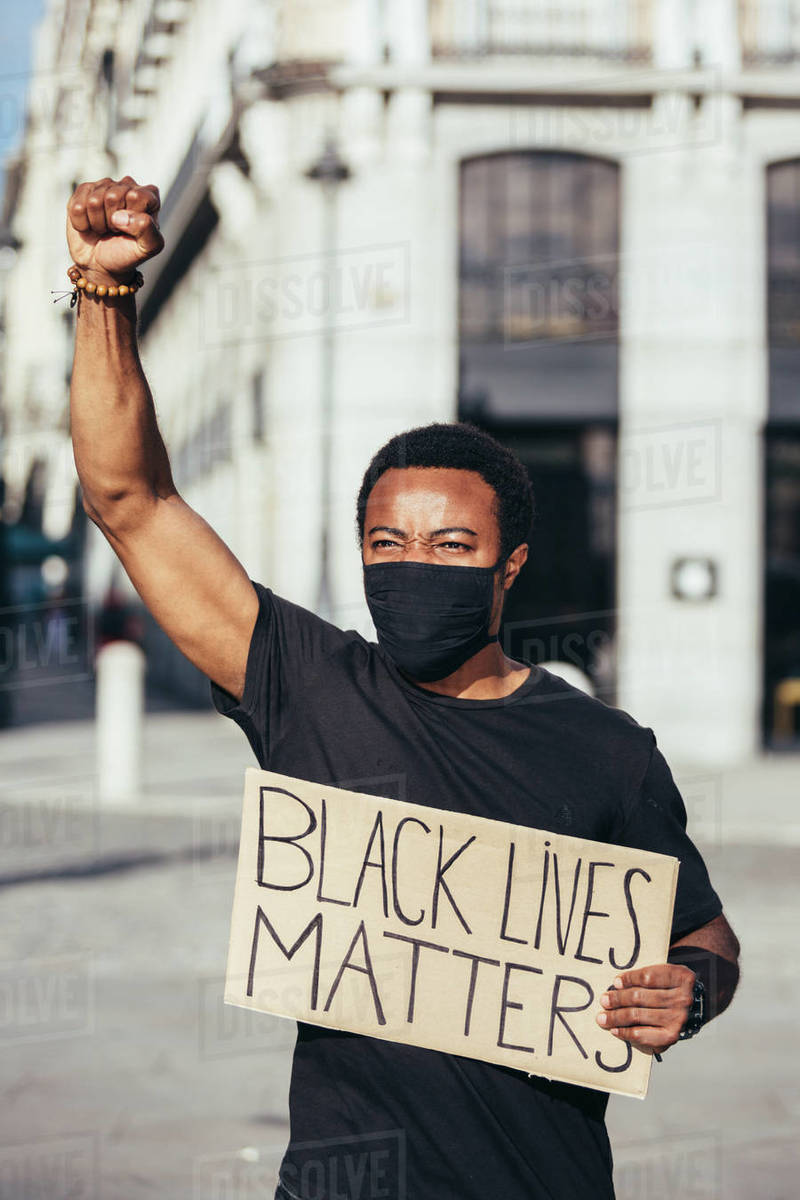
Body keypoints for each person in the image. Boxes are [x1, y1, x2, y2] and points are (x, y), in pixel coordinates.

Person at [66, 177, 740, 1200]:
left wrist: (688, 990)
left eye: (449, 544)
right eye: (387, 542)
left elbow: (700, 930)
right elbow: (131, 499)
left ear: (508, 567)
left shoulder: (607, 750)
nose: (412, 564)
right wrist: (103, 297)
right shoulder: (307, 684)